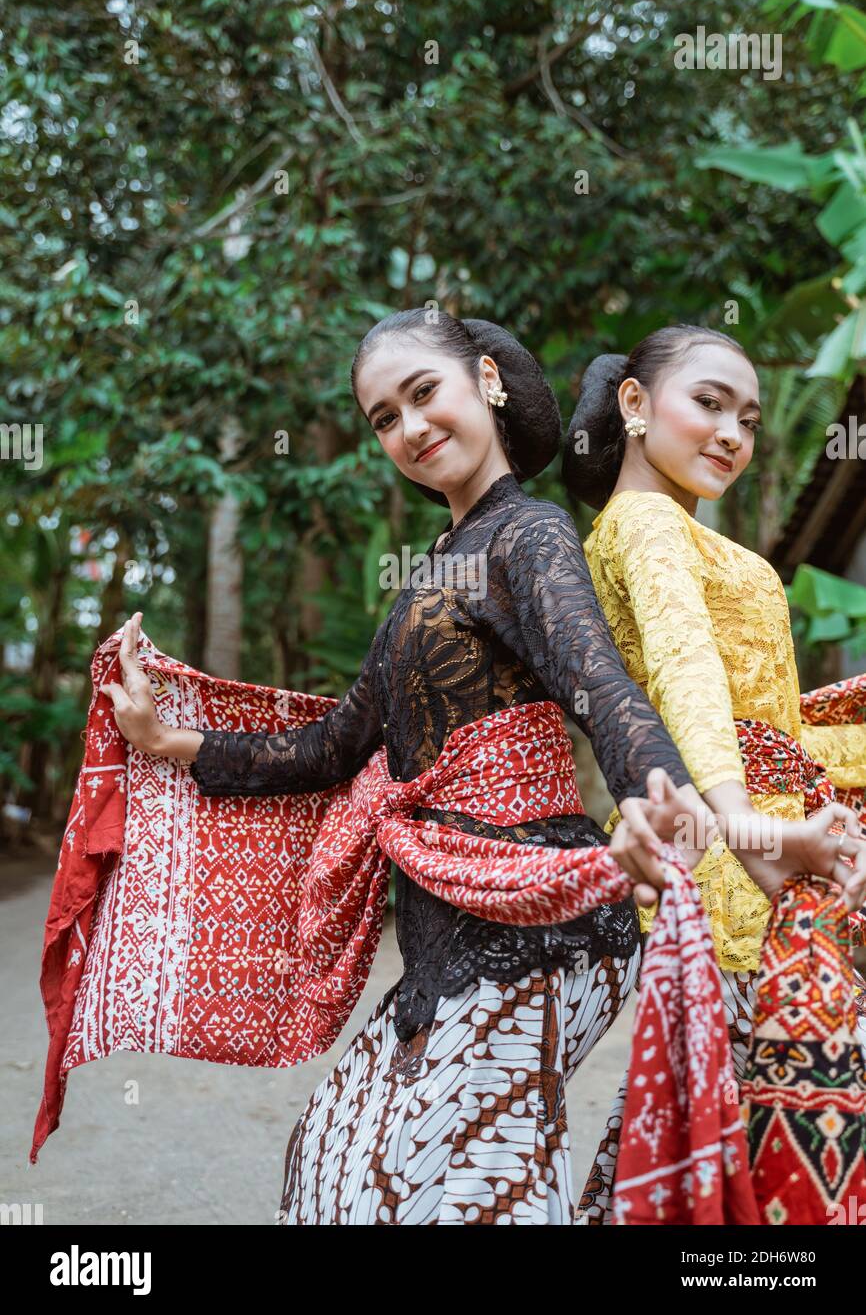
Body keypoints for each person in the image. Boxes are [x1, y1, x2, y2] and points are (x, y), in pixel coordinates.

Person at [101, 311, 864, 1226]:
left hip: (540, 922)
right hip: (443, 933)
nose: (411, 428)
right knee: (331, 1167)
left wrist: (711, 817)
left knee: (471, 1192)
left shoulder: (529, 537)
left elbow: (604, 690)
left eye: (425, 394)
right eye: (385, 417)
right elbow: (334, 746)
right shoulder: (432, 573)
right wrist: (166, 742)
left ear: (490, 384)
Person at [563, 324, 866, 1218]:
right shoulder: (650, 525)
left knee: (704, 1126)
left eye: (749, 417)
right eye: (709, 403)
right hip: (737, 864)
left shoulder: (663, 529)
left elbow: (766, 723)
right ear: (635, 405)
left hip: (746, 837)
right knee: (741, 1128)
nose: (733, 433)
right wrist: (754, 829)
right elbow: (686, 678)